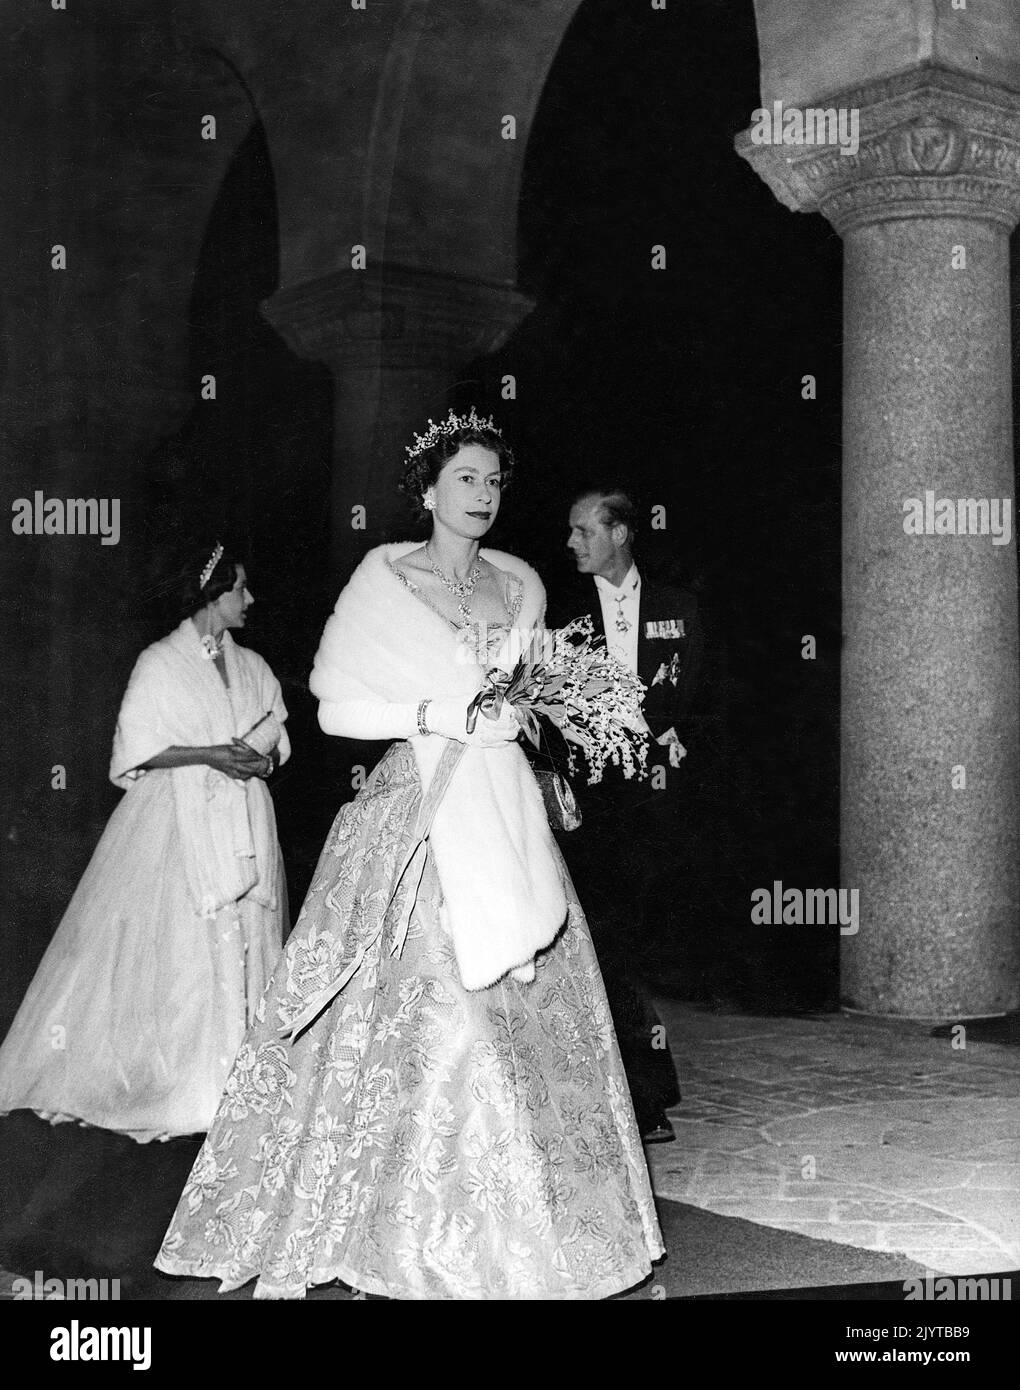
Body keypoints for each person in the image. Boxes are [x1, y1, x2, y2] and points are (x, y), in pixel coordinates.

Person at [154, 410, 664, 1300]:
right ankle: (422, 1226)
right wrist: (435, 716)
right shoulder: (381, 579)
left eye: (494, 482)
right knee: (439, 1011)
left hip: (502, 814)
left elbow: (529, 698)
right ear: (428, 491)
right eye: (465, 479)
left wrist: (536, 746)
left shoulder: (525, 585)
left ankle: (531, 1226)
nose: (482, 495)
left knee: (526, 1012)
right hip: (417, 815)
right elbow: (333, 710)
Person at [0, 545, 290, 1143]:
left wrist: (258, 760)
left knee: (246, 936)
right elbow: (137, 748)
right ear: (213, 594)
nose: (250, 600)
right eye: (240, 589)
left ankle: (243, 1075)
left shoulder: (255, 666)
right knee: (186, 947)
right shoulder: (159, 662)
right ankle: (182, 1081)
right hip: (176, 819)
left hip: (243, 816)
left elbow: (277, 738)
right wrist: (209, 753)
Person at [545, 487, 703, 1143]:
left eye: (585, 531)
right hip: (588, 809)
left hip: (654, 805)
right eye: (572, 531)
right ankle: (642, 1096)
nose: (573, 543)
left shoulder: (678, 608)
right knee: (604, 944)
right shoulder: (558, 615)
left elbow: (695, 706)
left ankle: (637, 1090)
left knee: (627, 946)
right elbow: (543, 712)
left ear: (620, 533)